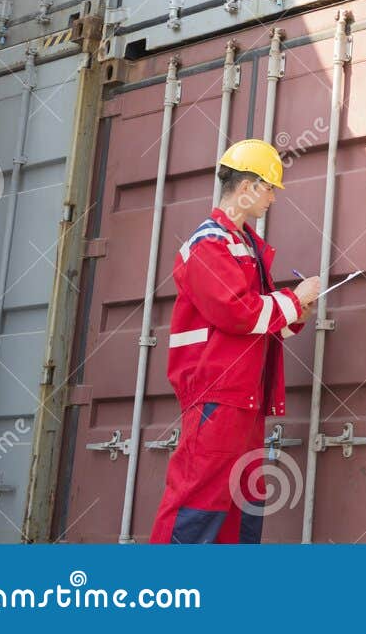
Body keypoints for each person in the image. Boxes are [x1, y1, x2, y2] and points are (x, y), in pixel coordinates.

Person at [149, 139, 322, 544]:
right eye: (269, 188)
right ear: (246, 186)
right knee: (199, 501)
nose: (273, 198)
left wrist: (296, 314)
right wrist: (293, 300)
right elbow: (238, 312)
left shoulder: (241, 244)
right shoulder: (209, 243)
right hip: (218, 395)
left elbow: (252, 320)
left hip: (243, 398)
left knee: (240, 508)